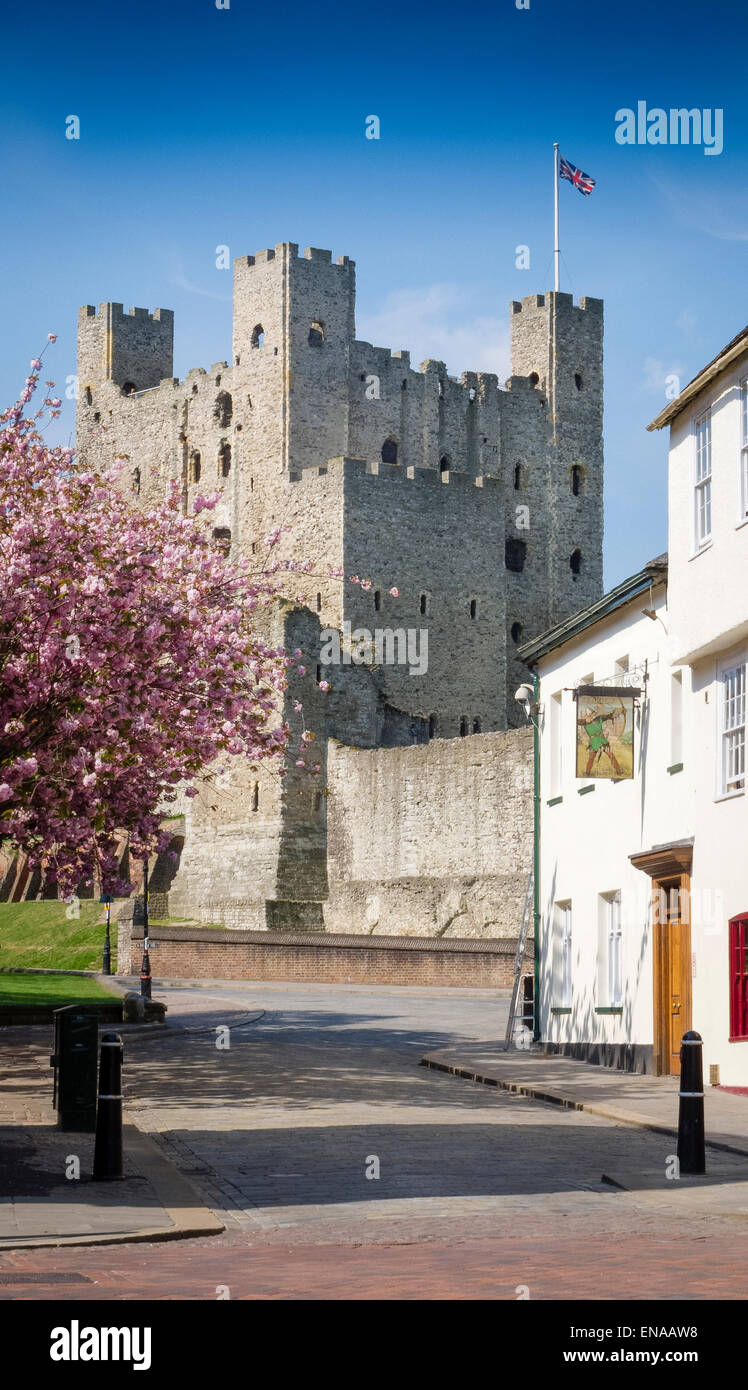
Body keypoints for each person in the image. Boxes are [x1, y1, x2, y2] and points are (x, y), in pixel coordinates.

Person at [577, 703, 623, 777]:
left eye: (594, 713)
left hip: (602, 741)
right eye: (592, 713)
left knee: (611, 755)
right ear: (589, 714)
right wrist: (585, 720)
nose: (594, 714)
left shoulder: (599, 718)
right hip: (593, 743)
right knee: (591, 758)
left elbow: (609, 716)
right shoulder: (584, 722)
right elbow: (574, 720)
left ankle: (619, 772)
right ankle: (587, 773)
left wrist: (618, 712)